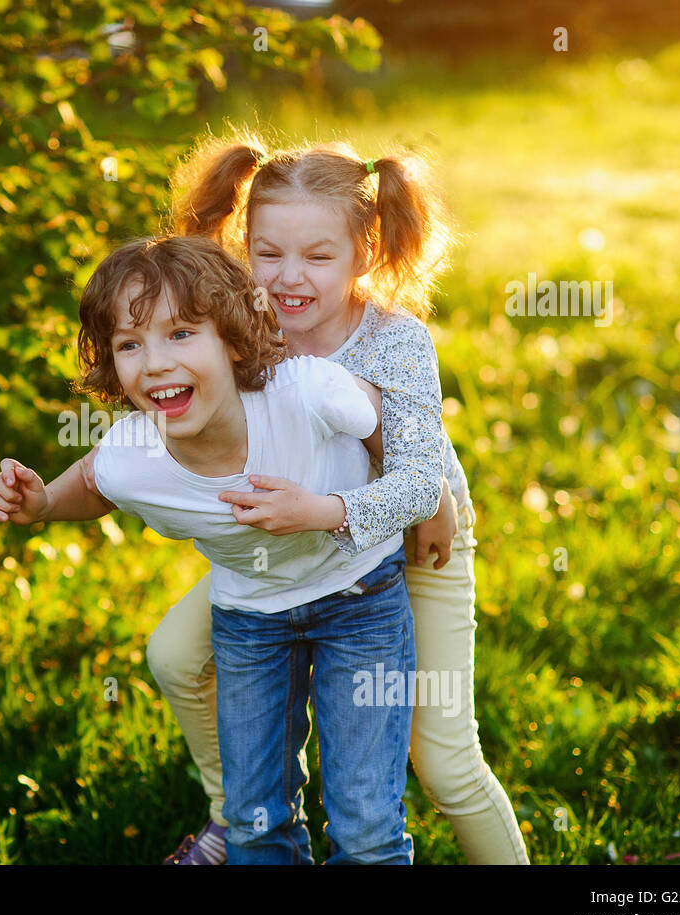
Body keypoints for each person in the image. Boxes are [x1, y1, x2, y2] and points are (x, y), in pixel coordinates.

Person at [148, 133, 530, 865]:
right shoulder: (242, 328)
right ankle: (238, 815)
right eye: (268, 252)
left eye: (319, 256)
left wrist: (416, 503)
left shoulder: (394, 340)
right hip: (289, 551)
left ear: (367, 253)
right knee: (172, 654)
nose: (290, 277)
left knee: (444, 761)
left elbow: (422, 484)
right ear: (243, 245)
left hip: (419, 542)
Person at [0, 234, 425, 864]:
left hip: (360, 599)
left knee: (363, 826)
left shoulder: (305, 391)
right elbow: (93, 479)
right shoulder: (132, 458)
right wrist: (43, 505)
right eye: (129, 345)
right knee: (254, 824)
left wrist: (426, 501)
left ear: (233, 339)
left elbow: (402, 434)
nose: (156, 363)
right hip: (249, 623)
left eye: (181, 334)